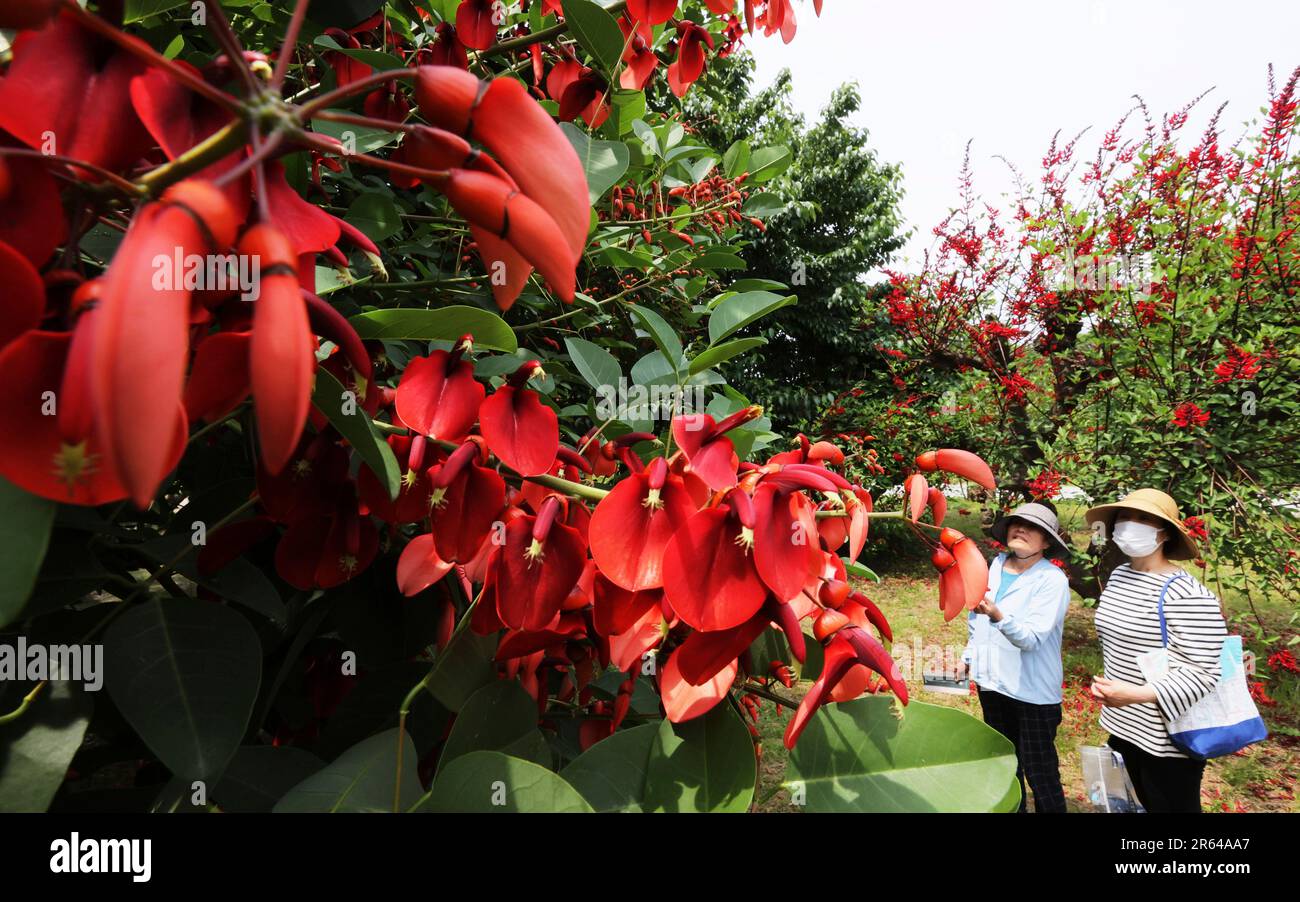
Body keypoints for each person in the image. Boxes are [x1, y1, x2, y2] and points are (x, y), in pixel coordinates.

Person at [1086, 488, 1226, 813]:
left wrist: (1135, 693)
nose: (1129, 524)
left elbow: (1206, 672)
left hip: (1167, 742)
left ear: (1164, 532)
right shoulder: (1120, 575)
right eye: (1124, 517)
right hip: (1122, 727)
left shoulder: (1186, 593)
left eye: (1144, 518)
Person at [960, 502, 1073, 813]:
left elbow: (1032, 637)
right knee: (1005, 763)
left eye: (1033, 527)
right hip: (993, 683)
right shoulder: (993, 566)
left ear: (1047, 541)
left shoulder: (1052, 580)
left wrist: (998, 615)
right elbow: (975, 619)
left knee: (1040, 769)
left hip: (1031, 691)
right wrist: (969, 655)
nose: (1021, 529)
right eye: (1017, 522)